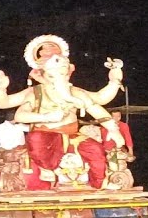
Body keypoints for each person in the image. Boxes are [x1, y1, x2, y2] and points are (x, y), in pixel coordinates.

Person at [12, 50, 125, 189]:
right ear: (41, 75)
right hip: (45, 133)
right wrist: (46, 117)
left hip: (72, 135)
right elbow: (17, 114)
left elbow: (99, 102)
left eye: (63, 74)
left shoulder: (74, 92)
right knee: (35, 139)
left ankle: (100, 183)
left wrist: (114, 82)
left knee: (95, 149)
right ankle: (46, 170)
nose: (59, 79)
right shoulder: (34, 93)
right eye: (52, 75)